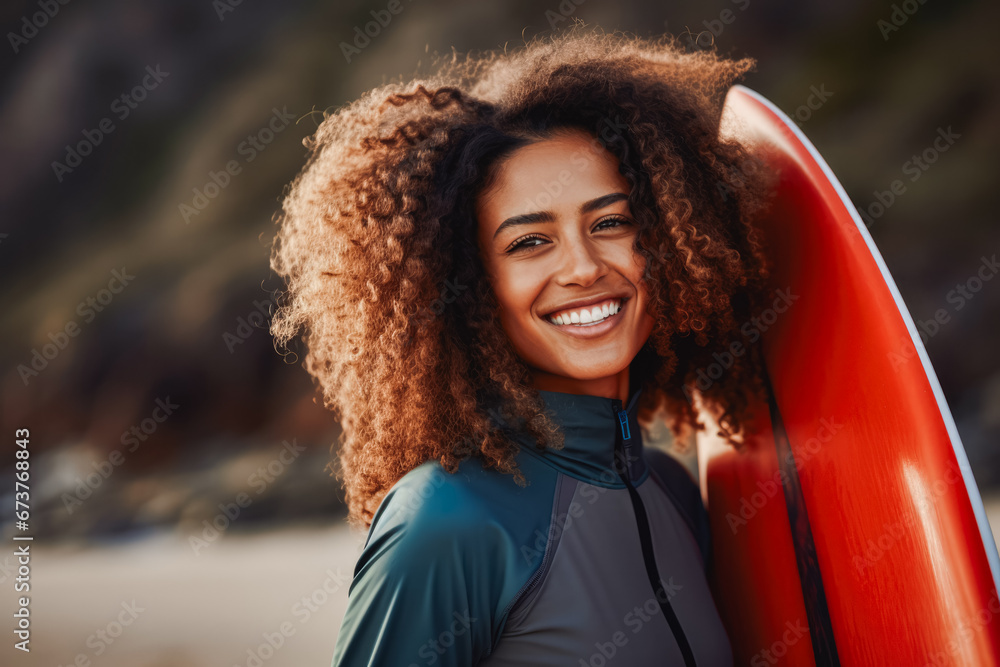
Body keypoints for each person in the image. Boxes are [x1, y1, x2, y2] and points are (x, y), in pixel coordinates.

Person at [269, 25, 776, 667]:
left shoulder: (672, 489)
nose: (585, 267)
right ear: (465, 285)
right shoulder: (449, 522)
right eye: (530, 242)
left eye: (612, 223)